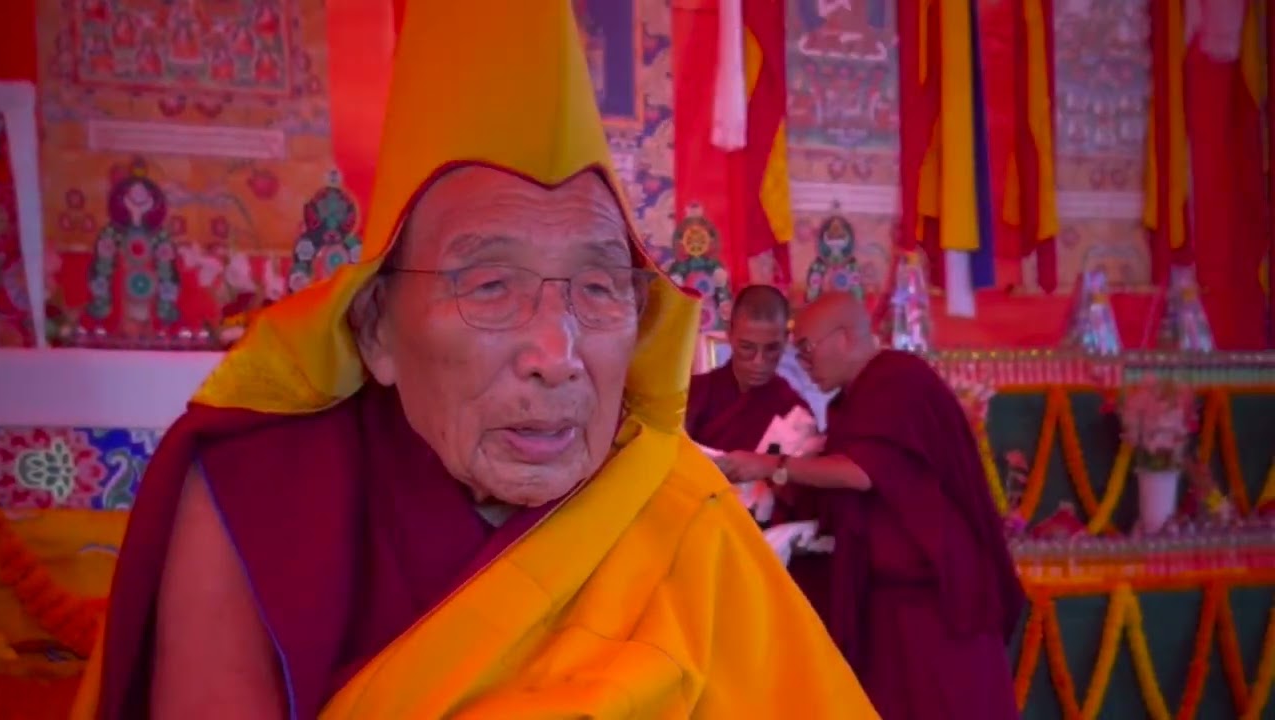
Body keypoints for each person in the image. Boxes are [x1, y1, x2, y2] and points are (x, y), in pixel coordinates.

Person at [69, 3, 877, 719]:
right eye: (490, 285)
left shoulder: (680, 513)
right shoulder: (259, 496)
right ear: (377, 327)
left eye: (598, 287)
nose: (558, 357)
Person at [716, 292, 1025, 719]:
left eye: (805, 348)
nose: (801, 362)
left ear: (843, 338)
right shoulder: (853, 398)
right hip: (888, 600)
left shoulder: (898, 379)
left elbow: (861, 472)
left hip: (933, 602)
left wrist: (770, 466)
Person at [685, 284, 810, 454]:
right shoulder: (695, 394)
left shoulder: (792, 409)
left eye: (771, 348)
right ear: (730, 335)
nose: (759, 361)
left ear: (786, 340)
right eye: (747, 347)